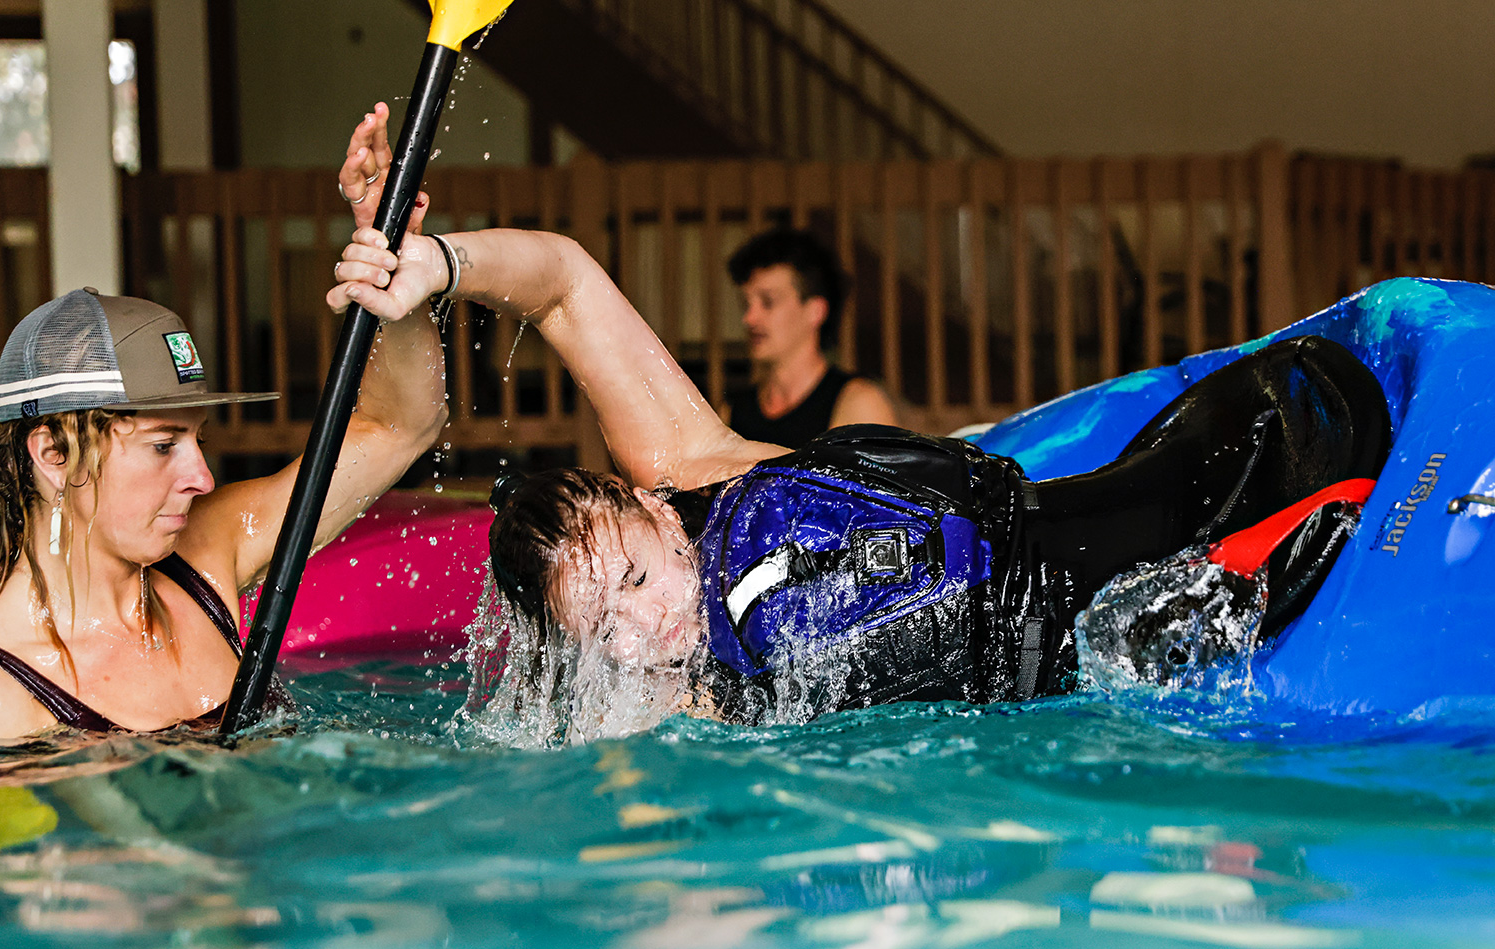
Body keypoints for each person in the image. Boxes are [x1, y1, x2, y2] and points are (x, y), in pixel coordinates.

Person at [327, 110, 1391, 725]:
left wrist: (438, 266)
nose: (644, 625)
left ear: (654, 510)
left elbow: (559, 282)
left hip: (1228, 475)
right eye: (603, 627)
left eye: (639, 579)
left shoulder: (694, 464)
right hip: (1097, 676)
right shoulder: (662, 720)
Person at [0, 127, 448, 754]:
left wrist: (398, 263)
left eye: (196, 440)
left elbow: (403, 426)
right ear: (53, 454)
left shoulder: (206, 554)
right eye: (164, 445)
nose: (203, 477)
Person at [725, 228, 898, 447]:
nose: (750, 318)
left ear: (815, 311)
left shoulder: (858, 404)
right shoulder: (733, 412)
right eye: (746, 304)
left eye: (768, 302)